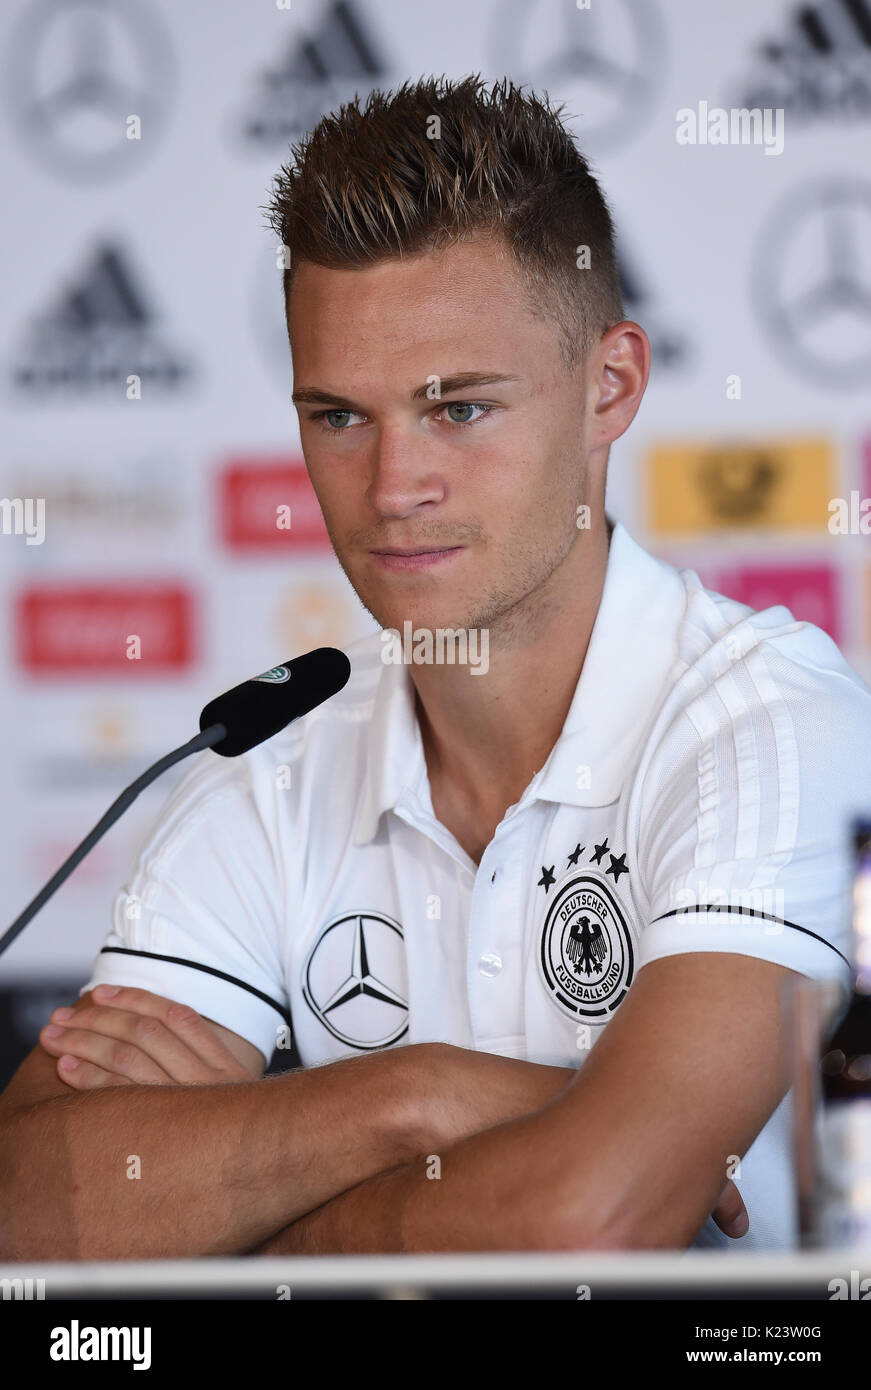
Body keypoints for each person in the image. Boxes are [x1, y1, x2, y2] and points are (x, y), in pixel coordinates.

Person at [3, 75, 870, 1260]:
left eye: (457, 410)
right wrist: (422, 1093)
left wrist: (237, 1217)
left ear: (608, 386)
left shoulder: (771, 722)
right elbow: (27, 1207)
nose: (392, 486)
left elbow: (591, 1218)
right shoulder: (270, 762)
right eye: (339, 416)